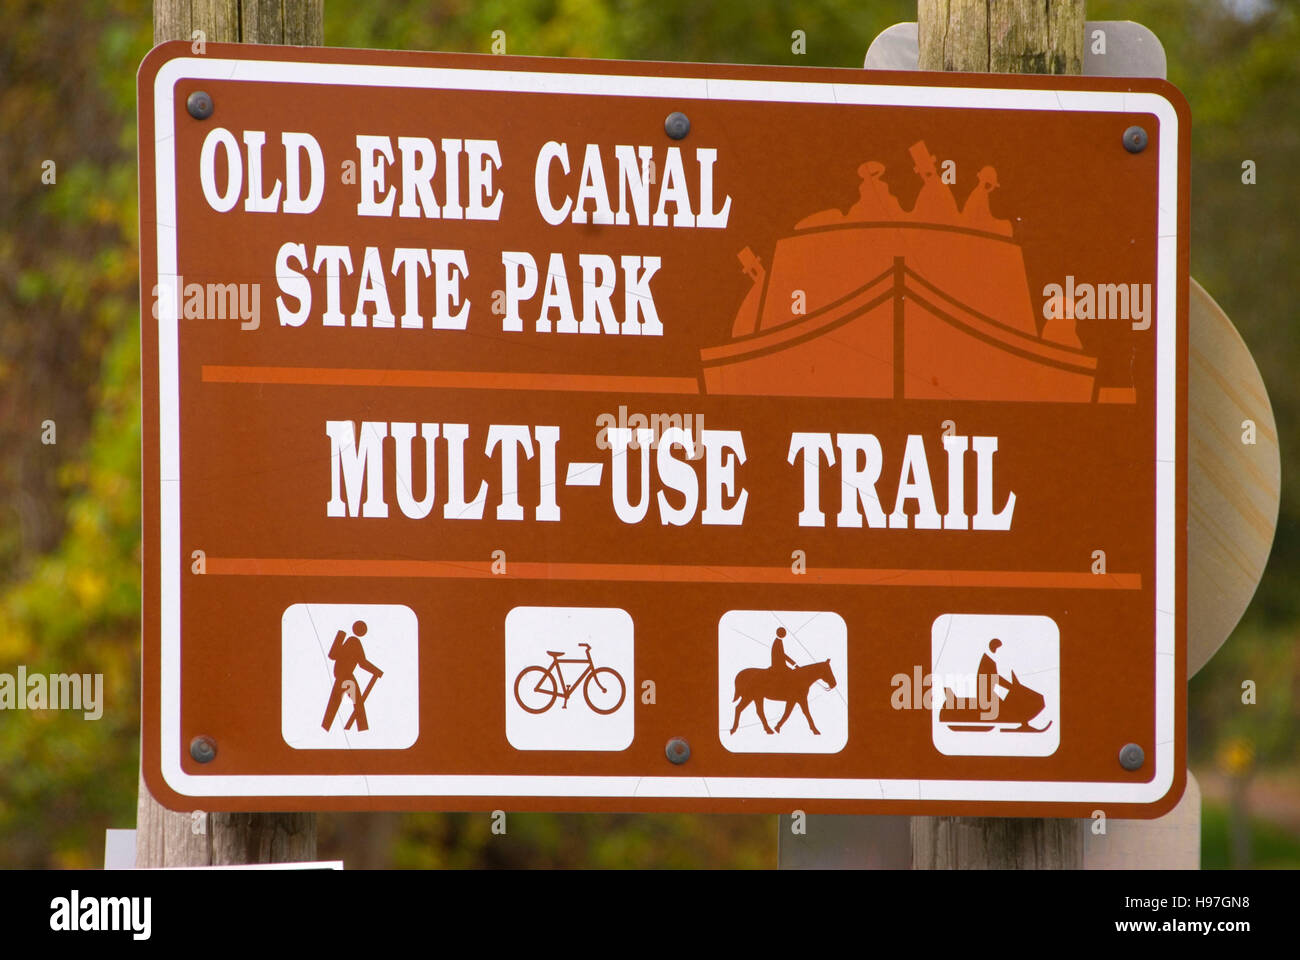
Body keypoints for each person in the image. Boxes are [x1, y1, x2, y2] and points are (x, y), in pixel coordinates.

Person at [321, 620, 383, 732]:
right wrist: (377, 671)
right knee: (357, 702)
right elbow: (362, 663)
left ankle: (325, 728)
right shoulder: (354, 642)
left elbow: (334, 656)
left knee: (334, 703)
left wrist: (376, 671)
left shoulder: (349, 642)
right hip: (346, 677)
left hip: (340, 676)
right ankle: (362, 729)